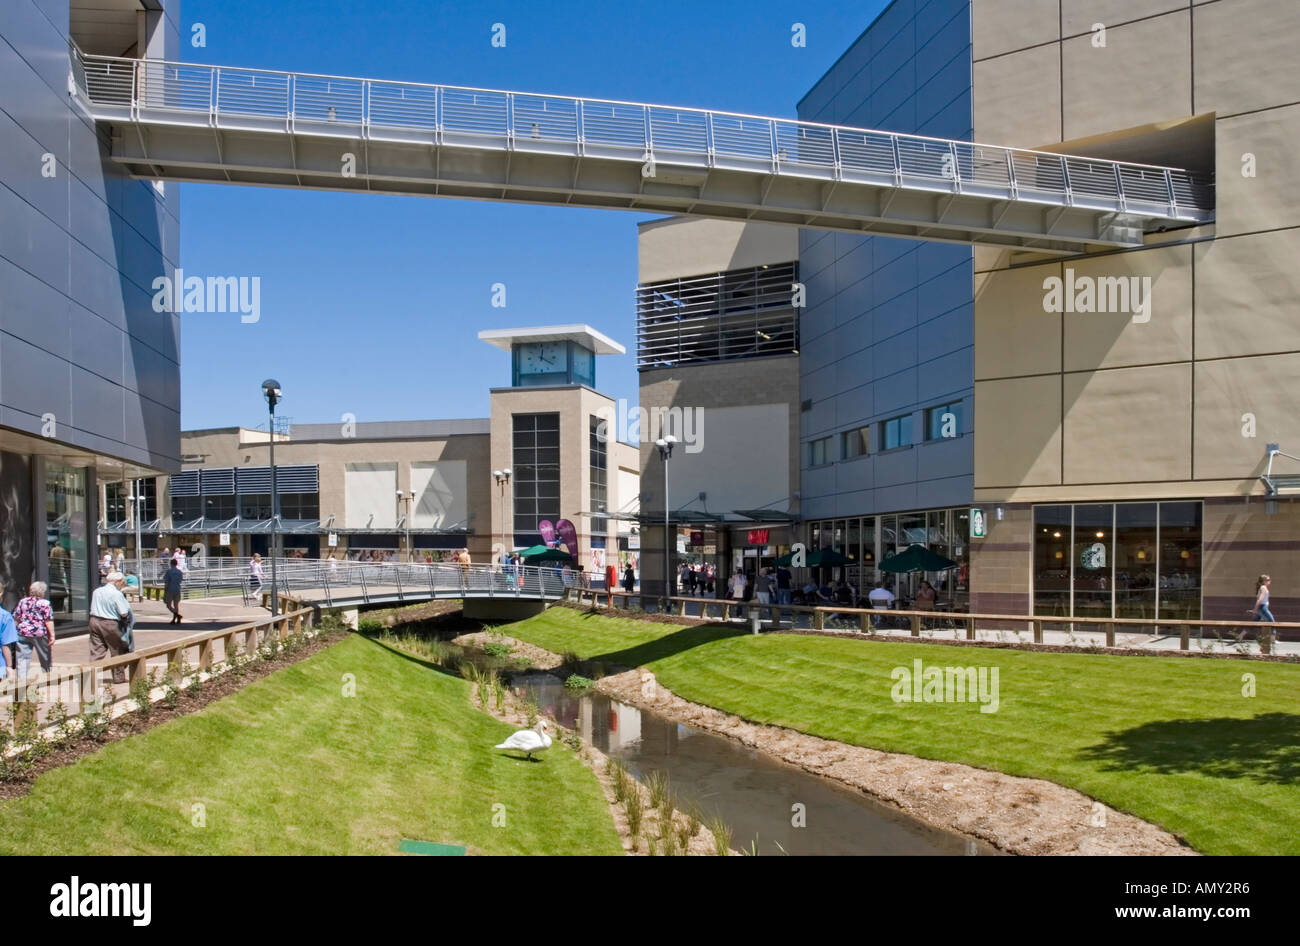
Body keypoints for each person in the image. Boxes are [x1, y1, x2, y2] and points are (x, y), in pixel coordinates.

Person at [89, 571, 132, 683]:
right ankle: (119, 677)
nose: (123, 585)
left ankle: (90, 676)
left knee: (97, 651)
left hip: (94, 621)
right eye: (122, 582)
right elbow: (123, 613)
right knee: (117, 650)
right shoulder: (117, 594)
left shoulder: (97, 591)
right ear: (117, 582)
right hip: (110, 623)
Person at [14, 582, 56, 678]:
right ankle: (47, 675)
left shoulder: (23, 601)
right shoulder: (45, 603)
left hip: (23, 632)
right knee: (45, 656)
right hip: (39, 634)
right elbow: (48, 620)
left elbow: (17, 617)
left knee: (22, 658)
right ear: (42, 592)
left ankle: (21, 680)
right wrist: (52, 635)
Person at [1251, 575, 1275, 649]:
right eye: (1268, 579)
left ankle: (1240, 636)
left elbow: (1262, 599)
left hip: (1262, 607)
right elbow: (1260, 600)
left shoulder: (1262, 587)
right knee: (1272, 622)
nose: (1269, 581)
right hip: (1262, 608)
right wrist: (1255, 609)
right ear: (1264, 581)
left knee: (1254, 622)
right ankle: (1271, 641)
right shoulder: (1263, 588)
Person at [163, 557, 184, 624]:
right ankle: (176, 619)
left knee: (168, 605)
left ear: (171, 564)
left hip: (170, 589)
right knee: (176, 605)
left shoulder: (169, 572)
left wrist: (165, 591)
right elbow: (180, 580)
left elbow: (166, 582)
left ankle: (177, 616)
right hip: (177, 589)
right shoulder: (179, 572)